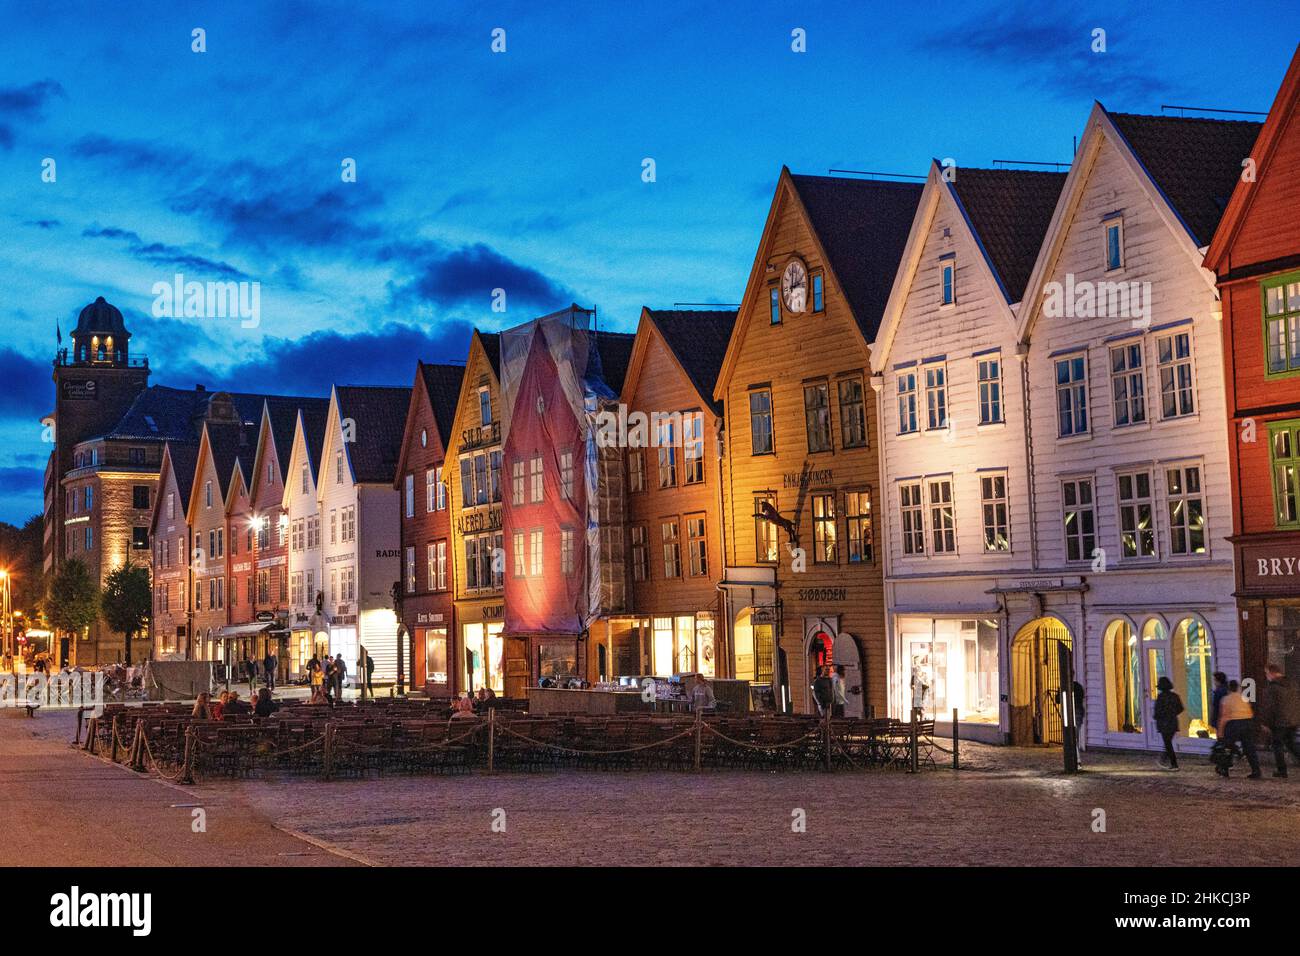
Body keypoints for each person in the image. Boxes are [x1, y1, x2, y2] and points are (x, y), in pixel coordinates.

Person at [1257, 664, 1300, 778]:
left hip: (1280, 722)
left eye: (1266, 673)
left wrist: (1265, 722)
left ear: (1271, 673)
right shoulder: (1292, 685)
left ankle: (1282, 770)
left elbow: (1269, 707)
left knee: (1277, 745)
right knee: (1291, 744)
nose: (1266, 676)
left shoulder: (1272, 688)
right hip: (1292, 720)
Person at [1216, 680, 1262, 779]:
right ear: (1238, 688)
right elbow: (1251, 711)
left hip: (1234, 724)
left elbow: (1224, 716)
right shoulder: (1244, 698)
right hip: (1248, 723)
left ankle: (1224, 769)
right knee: (1249, 747)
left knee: (1228, 746)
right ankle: (1256, 770)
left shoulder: (1225, 699)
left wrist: (1220, 732)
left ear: (1228, 688)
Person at [1152, 676, 1184, 770]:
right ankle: (1164, 759)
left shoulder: (1161, 697)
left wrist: (1157, 717)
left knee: (1167, 744)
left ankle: (1173, 764)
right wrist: (1173, 713)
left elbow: (1157, 711)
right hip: (1173, 722)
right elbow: (1180, 708)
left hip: (1164, 723)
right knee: (1168, 742)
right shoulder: (1175, 696)